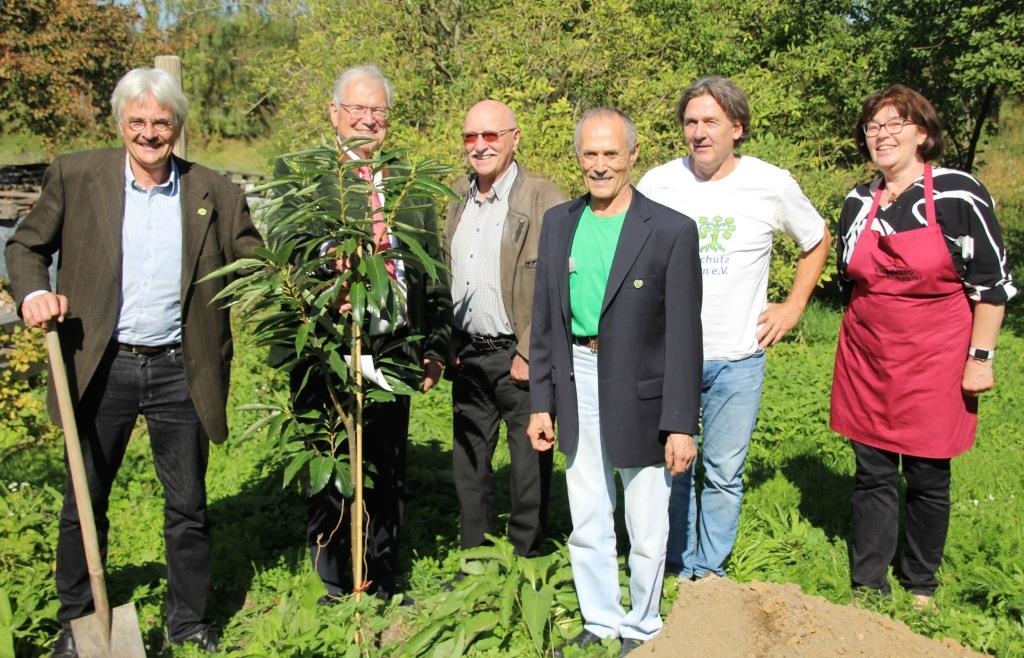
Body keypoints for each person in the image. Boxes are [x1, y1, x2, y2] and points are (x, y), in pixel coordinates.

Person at [5, 68, 263, 656]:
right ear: (121, 122)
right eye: (138, 121)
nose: (149, 133)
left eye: (161, 122)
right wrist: (31, 293)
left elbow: (256, 262)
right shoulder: (77, 175)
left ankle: (189, 622)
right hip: (102, 364)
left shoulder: (215, 191)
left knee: (188, 504)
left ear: (178, 127)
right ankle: (80, 623)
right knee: (85, 498)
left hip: (182, 366)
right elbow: (25, 246)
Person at [637, 76, 829, 580]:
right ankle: (673, 563)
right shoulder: (658, 183)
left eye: (711, 122)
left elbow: (816, 240)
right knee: (671, 465)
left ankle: (711, 572)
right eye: (691, 122)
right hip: (670, 355)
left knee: (722, 472)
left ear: (737, 128)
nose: (699, 133)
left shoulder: (772, 184)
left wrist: (792, 306)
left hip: (737, 358)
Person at [830, 85, 1015, 606]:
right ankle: (869, 584)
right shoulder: (857, 201)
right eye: (873, 126)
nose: (881, 134)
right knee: (872, 473)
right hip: (868, 358)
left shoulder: (959, 194)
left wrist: (980, 358)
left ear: (924, 134)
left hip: (937, 358)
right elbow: (851, 285)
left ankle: (920, 584)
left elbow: (992, 285)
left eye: (895, 124)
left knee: (929, 474)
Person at [528, 108, 702, 657]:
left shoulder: (670, 230)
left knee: (646, 518)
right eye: (589, 154)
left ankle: (642, 625)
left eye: (611, 154)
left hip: (641, 387)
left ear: (632, 155)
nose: (600, 166)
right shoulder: (559, 223)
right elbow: (545, 320)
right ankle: (600, 619)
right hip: (577, 375)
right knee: (587, 511)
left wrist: (680, 422)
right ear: (577, 157)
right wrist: (541, 403)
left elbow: (683, 336)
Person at [281, 65, 451, 603]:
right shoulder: (306, 176)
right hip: (332, 346)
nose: (369, 120)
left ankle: (379, 577)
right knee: (333, 463)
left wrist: (434, 345)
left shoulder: (406, 182)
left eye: (378, 110)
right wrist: (332, 281)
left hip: (393, 345)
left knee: (388, 463)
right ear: (334, 113)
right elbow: (288, 252)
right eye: (357, 109)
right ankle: (335, 581)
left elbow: (432, 270)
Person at [444, 100, 566, 557]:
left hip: (520, 355)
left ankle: (525, 556)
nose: (480, 146)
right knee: (469, 464)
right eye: (471, 137)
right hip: (469, 356)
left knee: (528, 465)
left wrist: (530, 351)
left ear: (515, 138)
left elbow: (560, 282)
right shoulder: (458, 194)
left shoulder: (543, 196)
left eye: (491, 136)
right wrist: (448, 341)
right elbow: (448, 270)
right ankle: (474, 556)